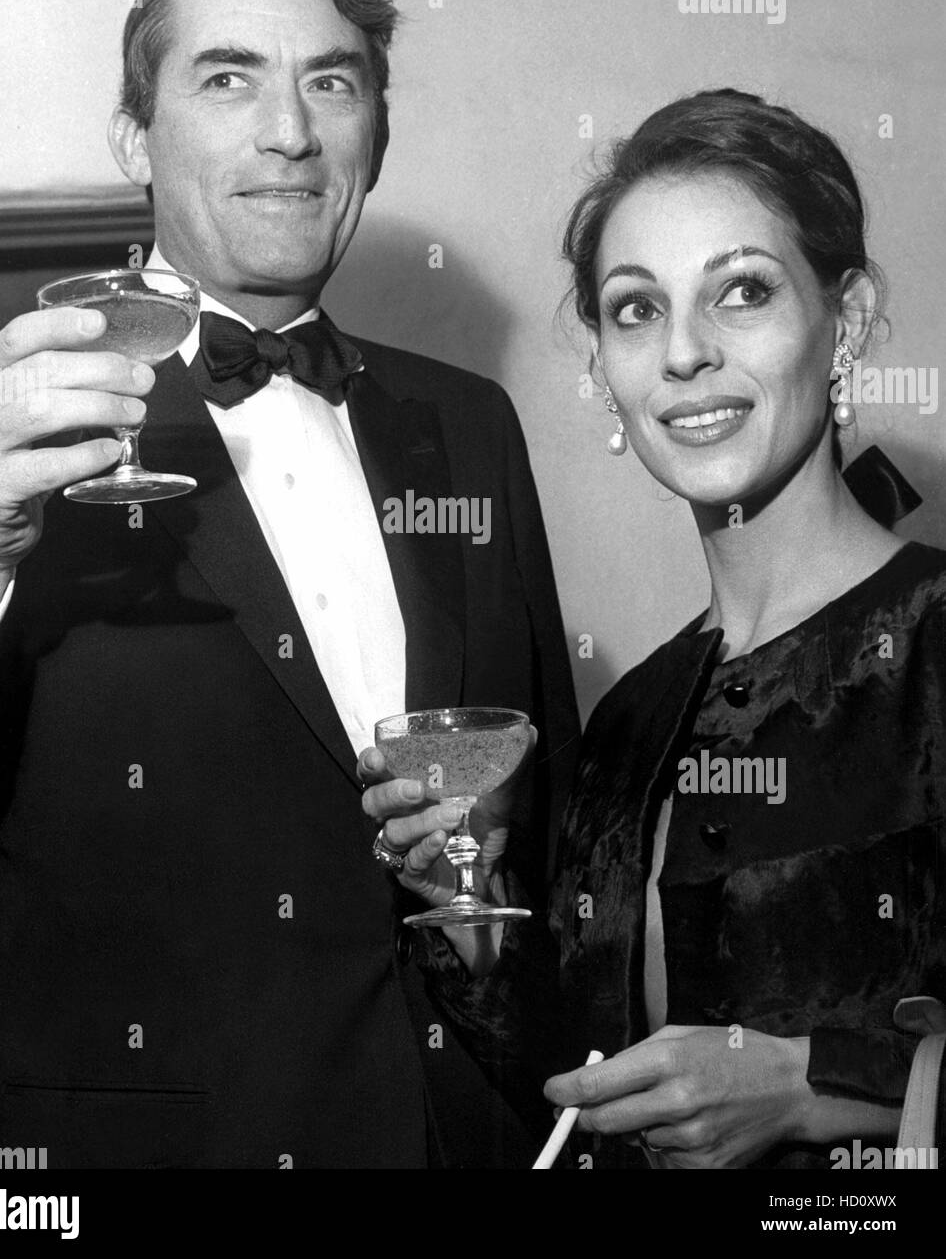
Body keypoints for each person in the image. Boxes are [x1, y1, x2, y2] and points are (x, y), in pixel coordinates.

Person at [0, 0, 579, 1169]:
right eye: (228, 77)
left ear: (375, 135)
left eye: (330, 81)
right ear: (134, 135)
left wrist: (487, 854)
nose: (291, 129)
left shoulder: (467, 424)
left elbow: (545, 819)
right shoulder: (1, 422)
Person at [366, 89, 946, 1168]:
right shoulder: (631, 718)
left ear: (848, 323)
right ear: (602, 371)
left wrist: (821, 1085)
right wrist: (466, 906)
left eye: (741, 292)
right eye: (636, 309)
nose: (683, 353)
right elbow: (587, 1091)